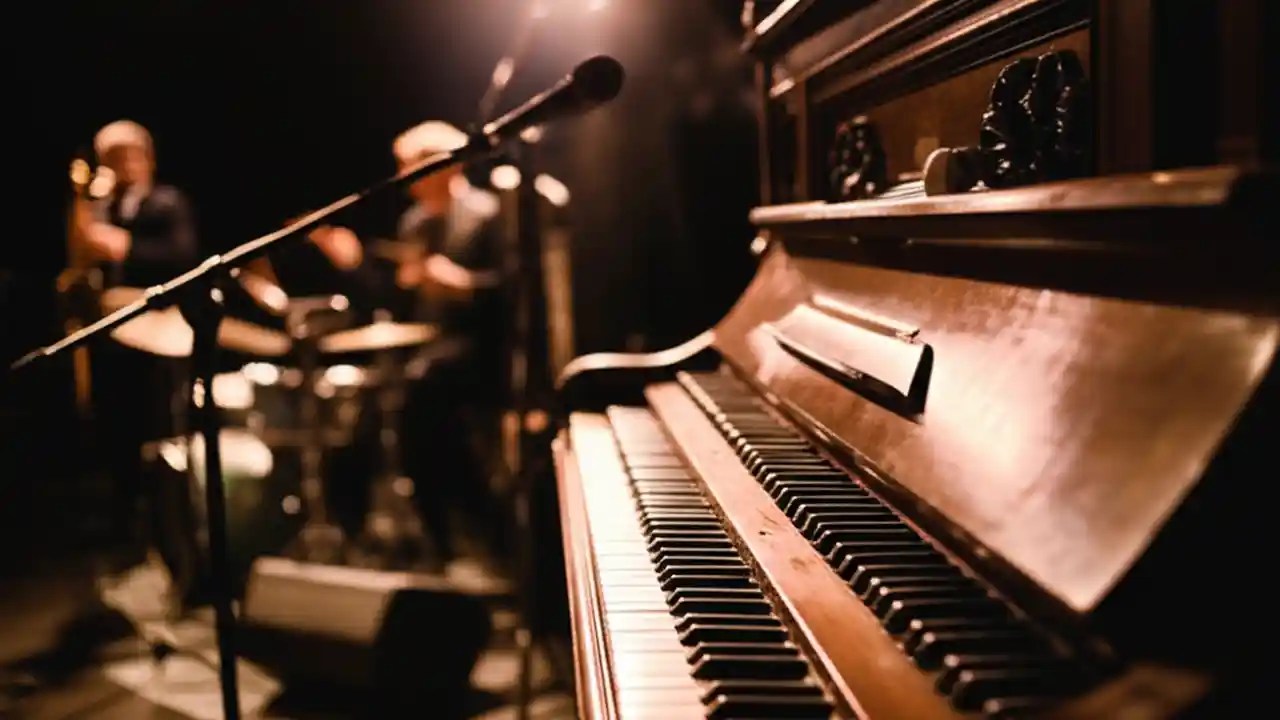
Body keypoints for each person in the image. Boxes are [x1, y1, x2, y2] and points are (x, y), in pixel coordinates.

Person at [69, 119, 199, 560]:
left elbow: (183, 256)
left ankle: (171, 535)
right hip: (112, 337)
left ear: (147, 158)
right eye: (111, 159)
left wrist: (121, 247)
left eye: (128, 156)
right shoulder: (102, 208)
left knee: (157, 434)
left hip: (159, 336)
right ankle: (124, 532)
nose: (121, 167)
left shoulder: (166, 202)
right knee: (116, 435)